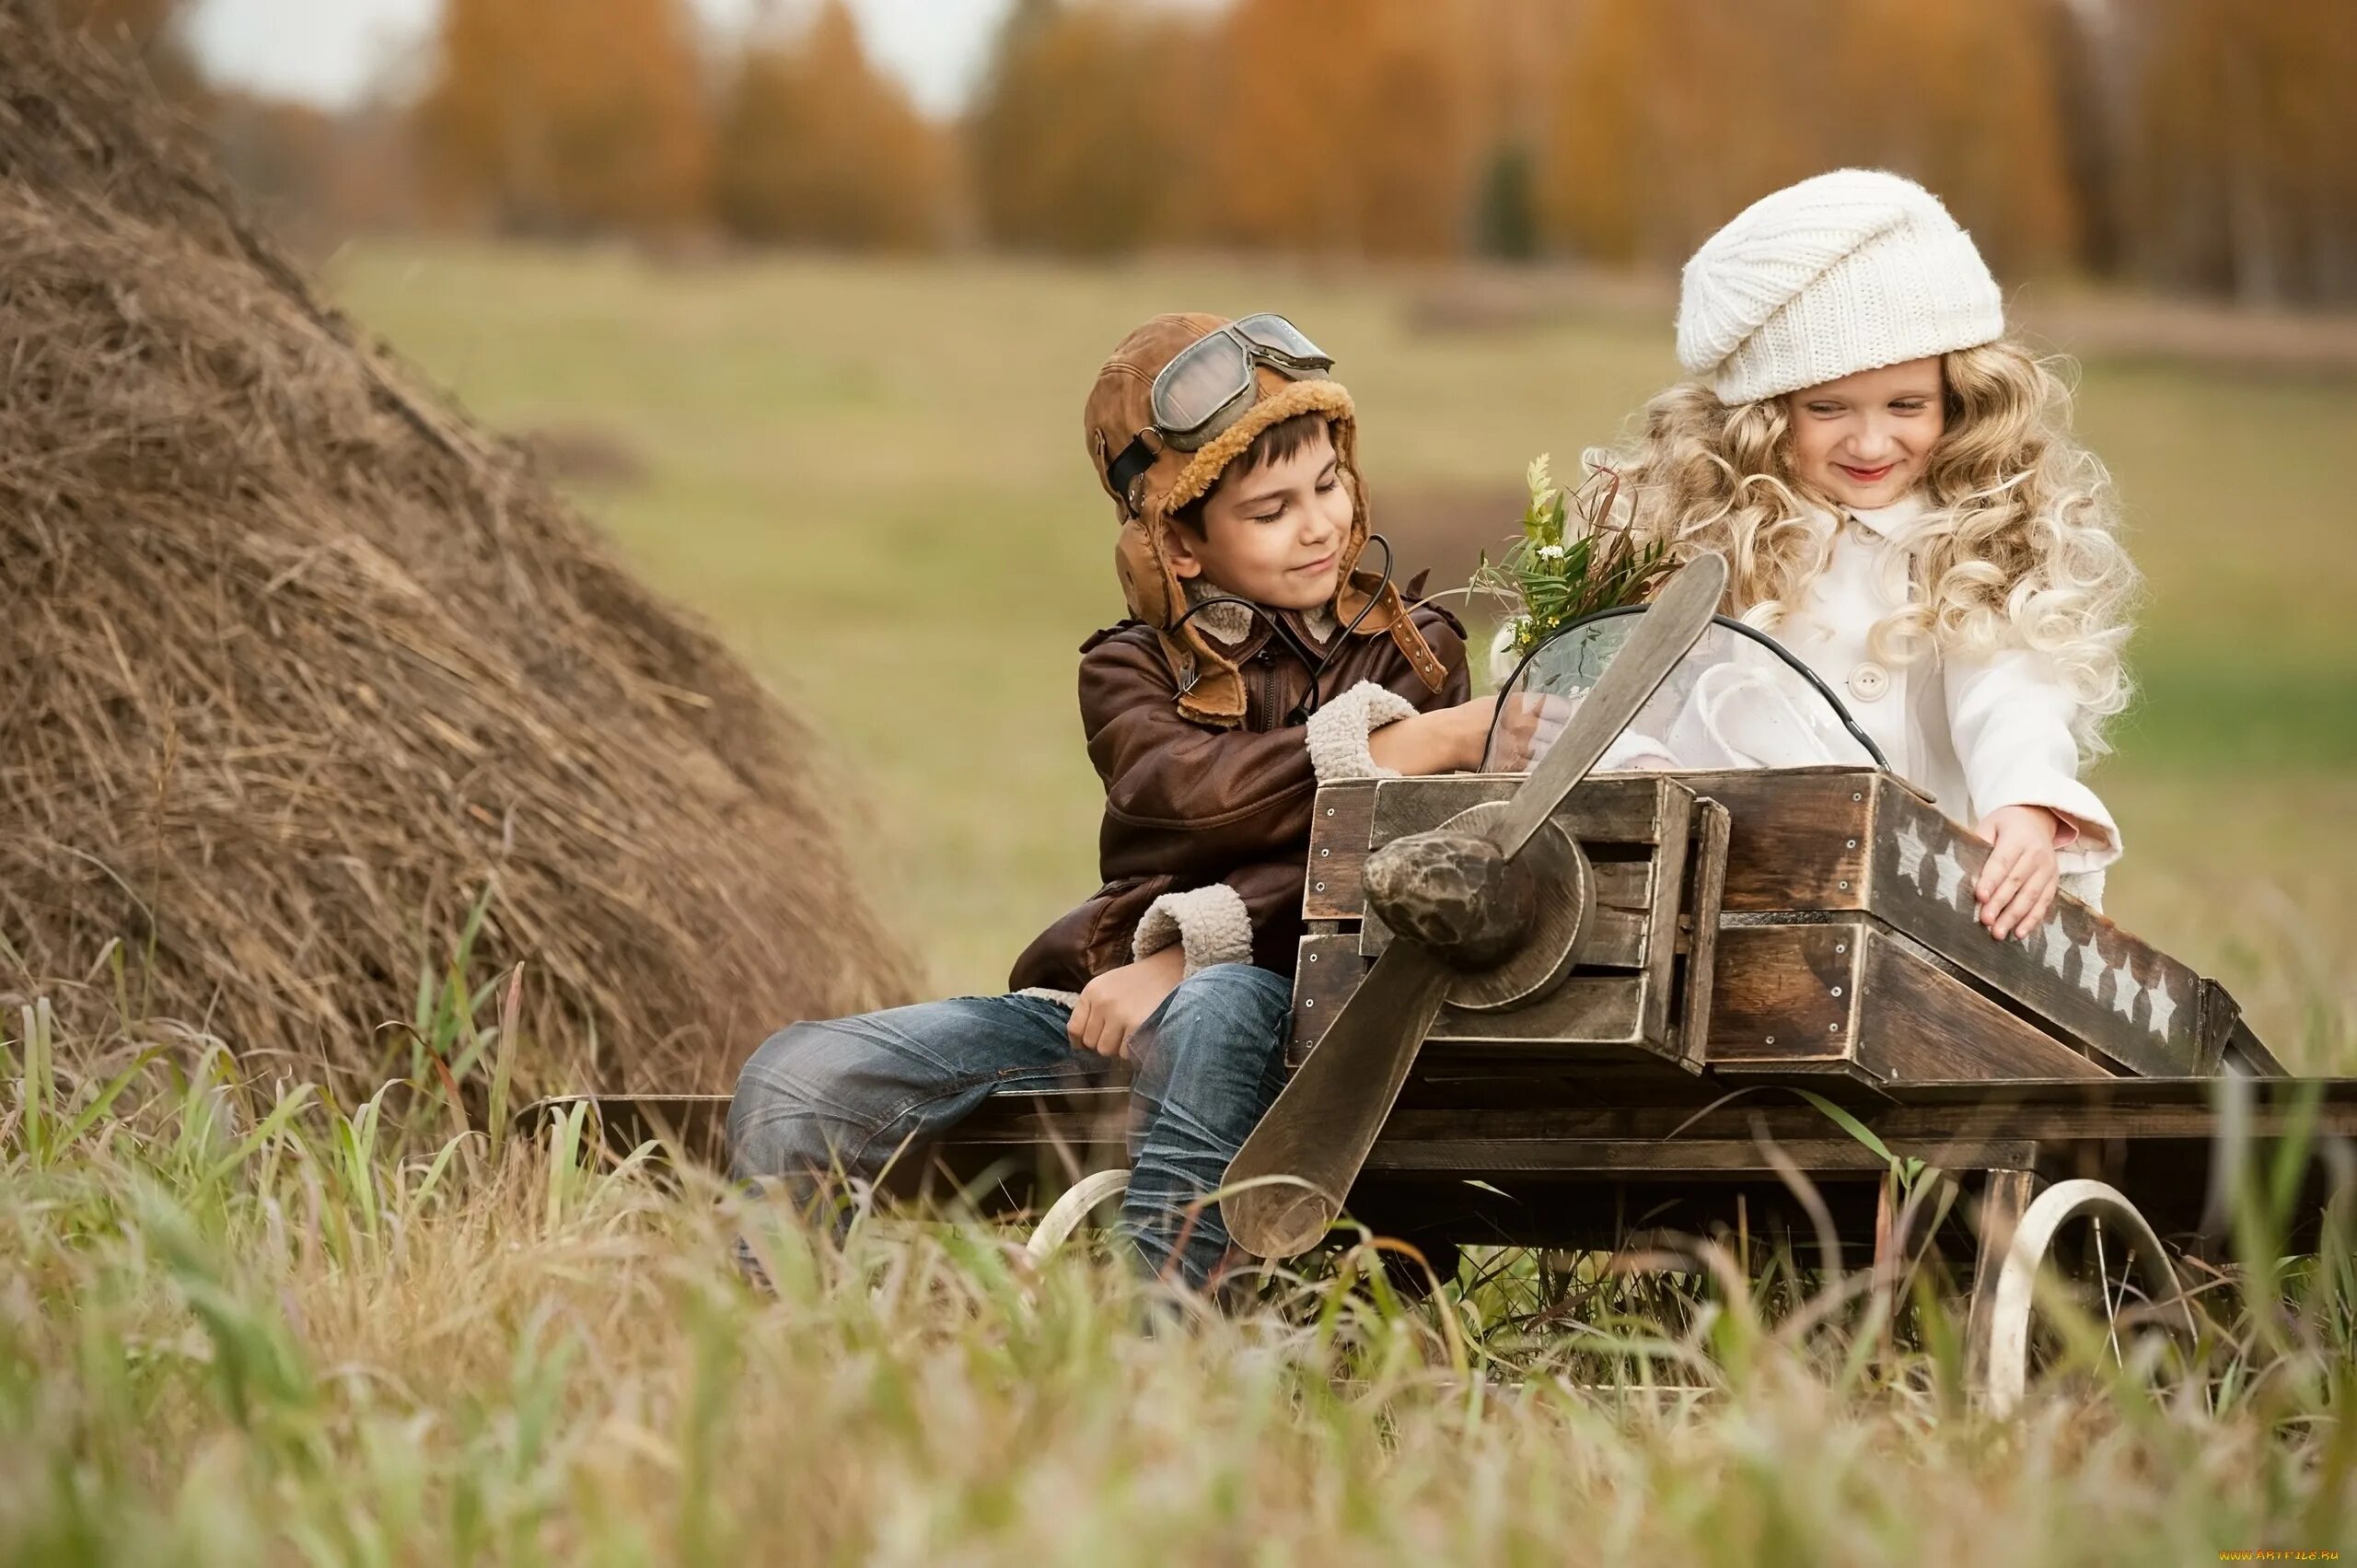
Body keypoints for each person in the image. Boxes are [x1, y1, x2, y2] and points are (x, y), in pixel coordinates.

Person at [729, 312, 1486, 1291]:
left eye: (1328, 484)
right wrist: (1394, 746)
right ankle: (776, 1351)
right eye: (1269, 510)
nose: (1319, 524)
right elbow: (1179, 796)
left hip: (1313, 1017)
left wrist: (1189, 950)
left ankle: (1157, 1361)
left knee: (1216, 1004)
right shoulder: (1126, 667)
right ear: (1178, 544)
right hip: (1111, 1003)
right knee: (797, 1071)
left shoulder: (1414, 649)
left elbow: (1390, 862)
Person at [1578, 168, 2137, 939]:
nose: (1872, 442)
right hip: (1724, 904)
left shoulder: (1973, 532)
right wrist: (1637, 780)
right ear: (1767, 415)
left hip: (1931, 913)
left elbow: (2009, 684)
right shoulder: (1714, 531)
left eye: (1907, 405)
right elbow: (1615, 683)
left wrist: (2026, 801)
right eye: (1827, 408)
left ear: (1958, 397)